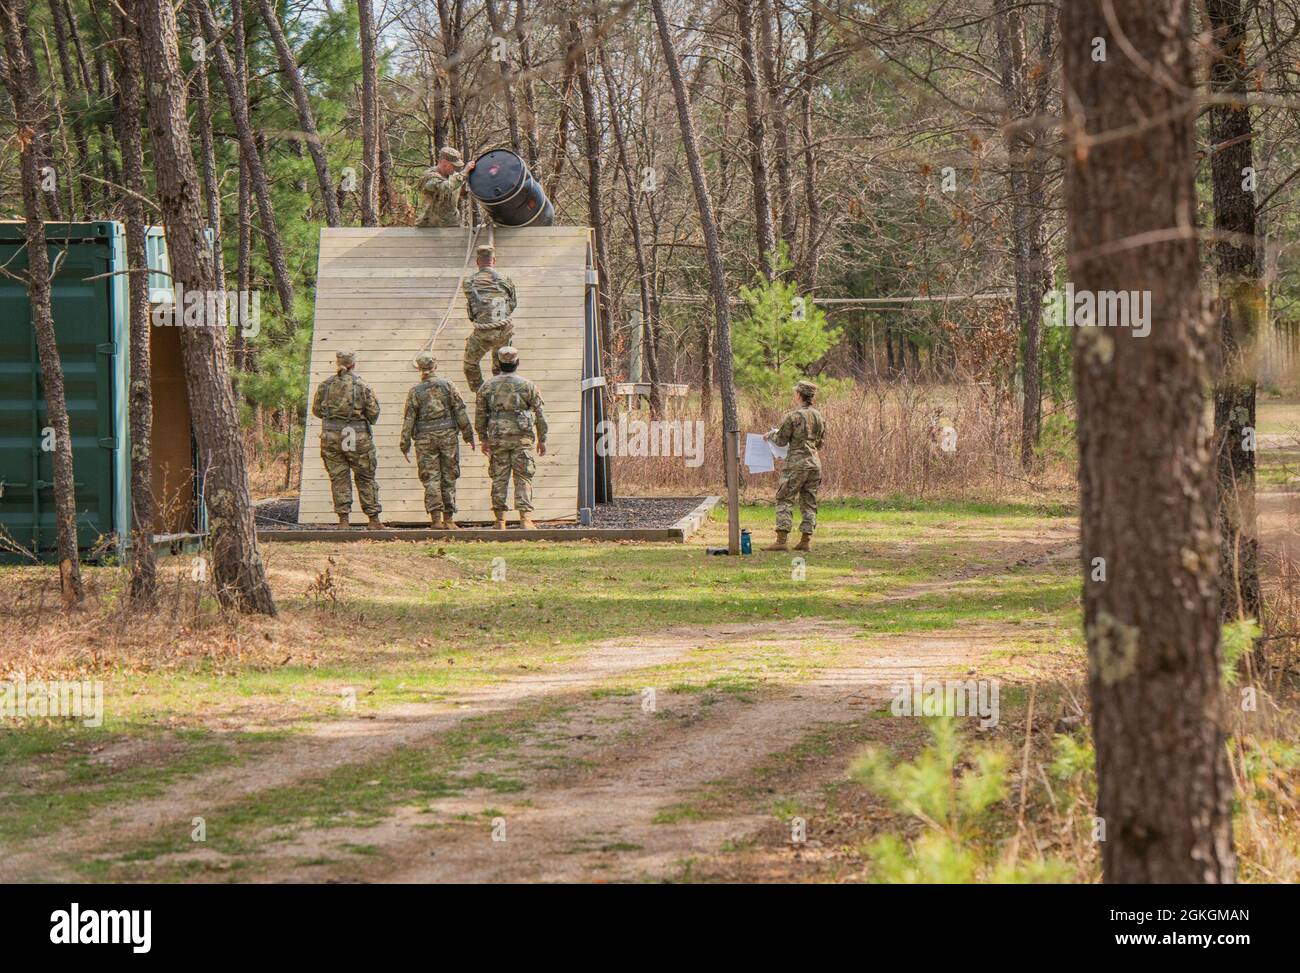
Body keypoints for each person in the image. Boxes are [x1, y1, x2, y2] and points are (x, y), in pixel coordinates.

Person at [400, 353, 475, 528]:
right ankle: (449, 519)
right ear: (435, 366)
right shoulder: (448, 386)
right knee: (449, 475)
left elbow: (409, 419)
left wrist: (405, 443)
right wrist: (468, 434)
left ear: (419, 369)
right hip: (448, 436)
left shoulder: (415, 391)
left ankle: (436, 520)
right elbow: (460, 411)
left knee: (431, 477)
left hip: (425, 439)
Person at [475, 346, 547, 529]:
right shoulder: (527, 385)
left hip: (497, 439)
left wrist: (483, 438)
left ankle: (499, 520)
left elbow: (480, 414)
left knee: (499, 478)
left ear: (498, 363)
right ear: (517, 362)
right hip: (522, 439)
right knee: (523, 477)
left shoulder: (487, 386)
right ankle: (525, 519)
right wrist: (542, 439)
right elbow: (540, 414)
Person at [312, 350, 382, 529]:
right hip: (357, 436)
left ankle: (343, 521)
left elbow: (317, 411)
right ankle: (373, 520)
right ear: (354, 364)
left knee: (339, 478)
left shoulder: (325, 385)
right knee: (366, 477)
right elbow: (373, 414)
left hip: (331, 437)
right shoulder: (362, 386)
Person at [764, 379, 826, 551]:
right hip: (814, 464)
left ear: (799, 395)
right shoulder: (819, 416)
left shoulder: (793, 416)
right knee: (809, 501)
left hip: (796, 465)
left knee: (784, 498)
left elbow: (781, 440)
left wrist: (771, 435)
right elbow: (820, 443)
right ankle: (806, 540)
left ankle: (781, 540)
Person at [462, 243, 517, 391]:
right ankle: (499, 392)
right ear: (494, 260)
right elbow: (513, 303)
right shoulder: (506, 280)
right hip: (504, 330)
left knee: (470, 363)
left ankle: (480, 392)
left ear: (477, 261)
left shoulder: (469, 282)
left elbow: (472, 304)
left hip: (483, 333)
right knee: (500, 364)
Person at [416, 147, 476, 227]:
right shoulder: (429, 177)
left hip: (452, 224)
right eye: (453, 165)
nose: (455, 168)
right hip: (430, 227)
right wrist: (464, 173)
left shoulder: (453, 177)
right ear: (444, 162)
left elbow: (462, 194)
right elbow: (445, 187)